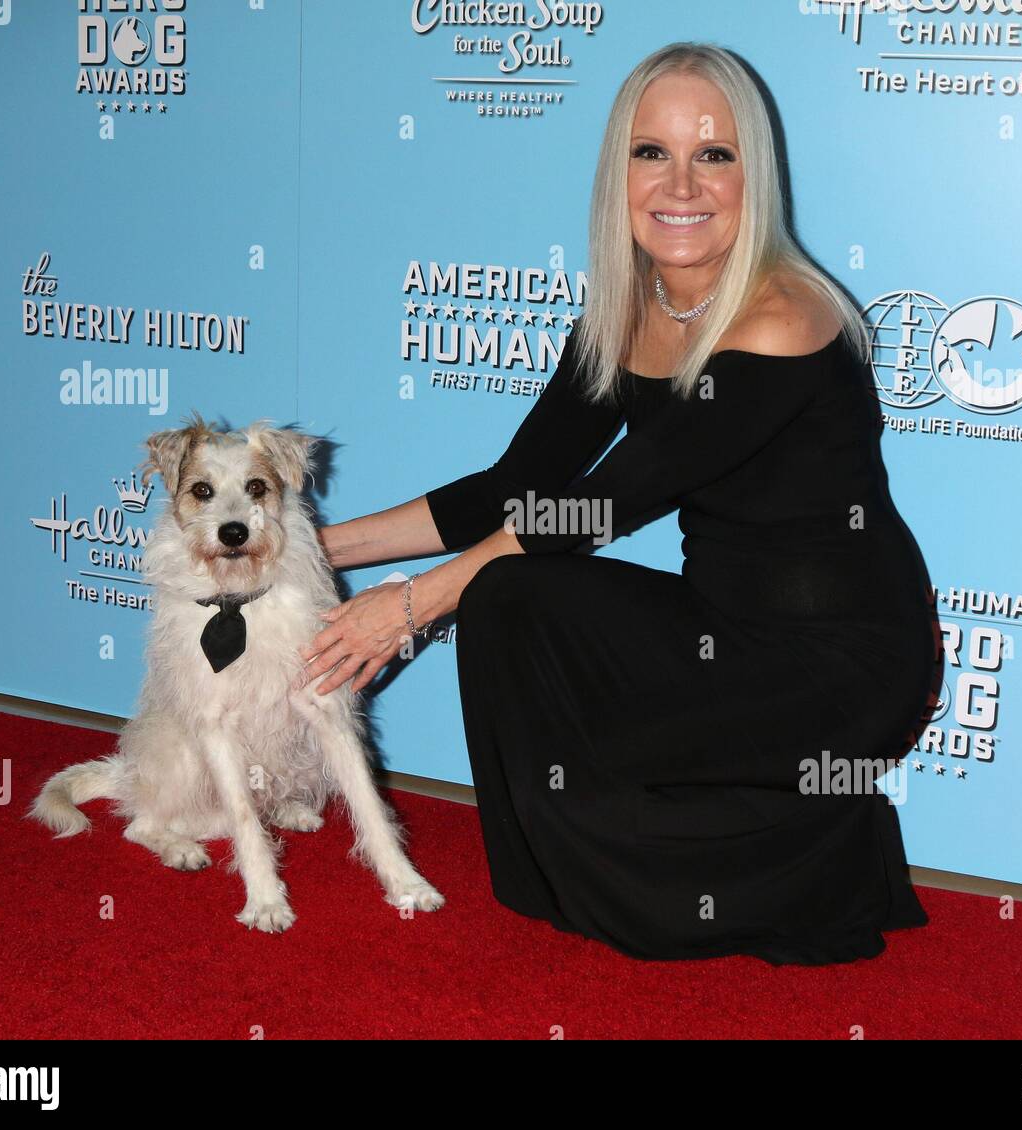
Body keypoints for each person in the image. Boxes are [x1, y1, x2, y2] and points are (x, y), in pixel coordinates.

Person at [300, 42, 940, 966]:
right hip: (724, 626)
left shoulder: (784, 313)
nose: (681, 183)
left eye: (713, 154)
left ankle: (815, 857)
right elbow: (514, 490)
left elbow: (601, 507)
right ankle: (588, 879)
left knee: (490, 586)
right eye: (653, 153)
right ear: (620, 171)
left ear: (752, 172)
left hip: (838, 663)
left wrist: (412, 601)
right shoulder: (627, 311)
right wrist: (312, 550)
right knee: (509, 597)